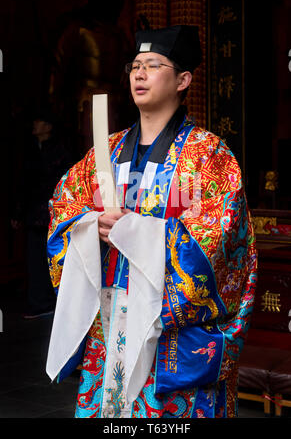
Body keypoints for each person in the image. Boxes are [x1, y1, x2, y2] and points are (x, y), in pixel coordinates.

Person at [46, 26, 257, 418]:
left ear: (183, 80)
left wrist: (137, 231)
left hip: (171, 328)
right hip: (110, 324)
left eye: (153, 65)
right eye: (135, 66)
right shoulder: (104, 153)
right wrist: (89, 225)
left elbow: (222, 238)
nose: (139, 74)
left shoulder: (208, 156)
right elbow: (63, 204)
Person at [11, 110, 73, 319]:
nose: (35, 124)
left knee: (50, 257)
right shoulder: (31, 150)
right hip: (33, 213)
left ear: (49, 126)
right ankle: (40, 303)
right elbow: (24, 184)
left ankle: (48, 303)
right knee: (34, 259)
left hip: (51, 212)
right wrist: (18, 212)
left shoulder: (60, 151)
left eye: (40, 120)